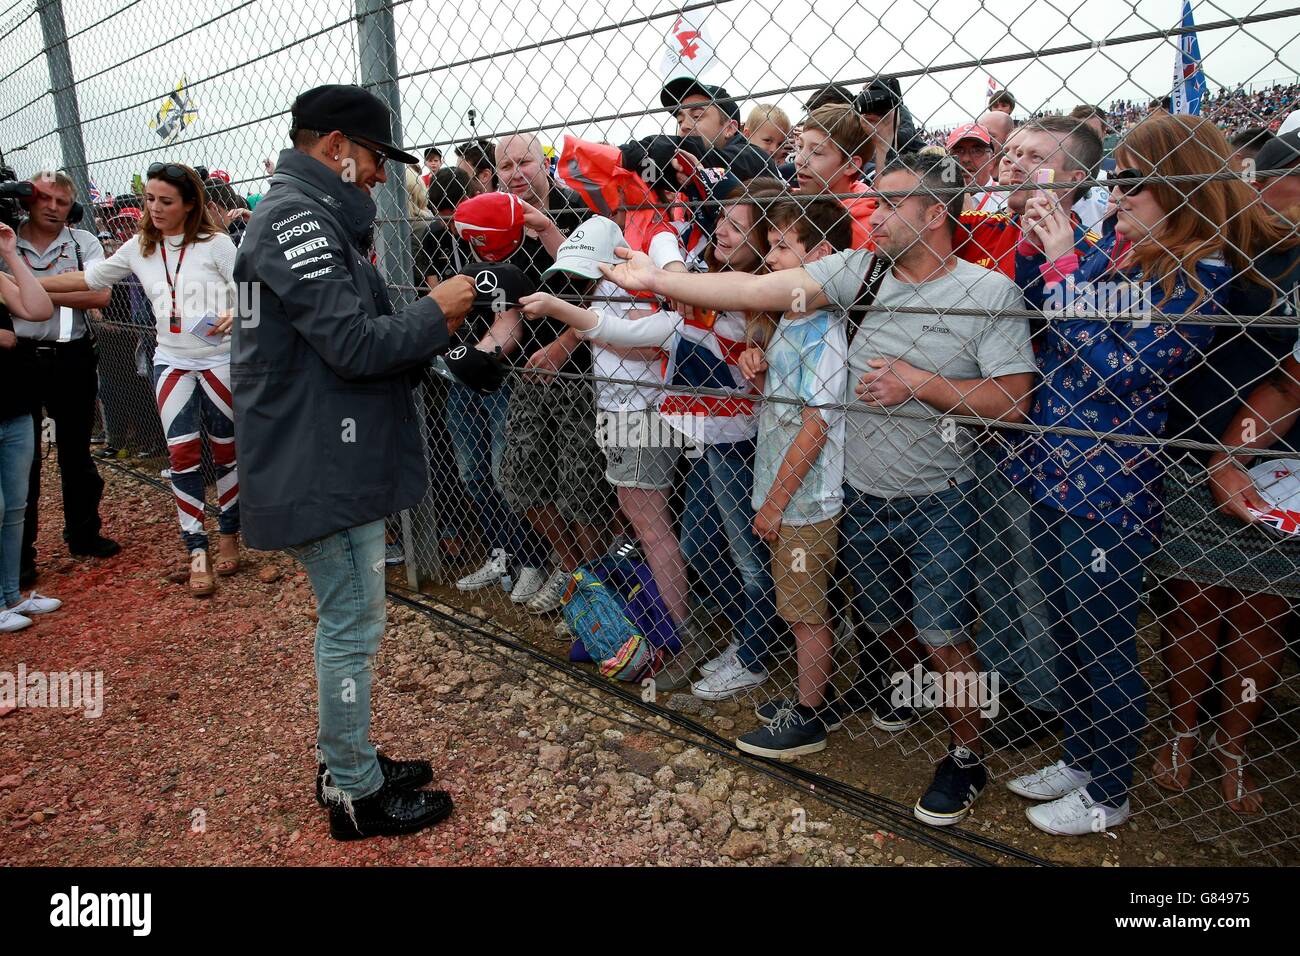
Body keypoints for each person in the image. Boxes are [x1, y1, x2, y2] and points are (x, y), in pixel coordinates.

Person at [599, 154, 1038, 825]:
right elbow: (759, 294)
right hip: (859, 492)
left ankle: (967, 754)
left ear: (934, 213)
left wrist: (919, 384)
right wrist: (658, 279)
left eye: (891, 206)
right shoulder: (859, 271)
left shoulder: (988, 293)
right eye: (878, 205)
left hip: (941, 495)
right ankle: (898, 697)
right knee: (885, 624)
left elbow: (1013, 402)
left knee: (941, 632)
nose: (877, 217)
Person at [232, 84, 476, 839]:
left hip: (317, 449)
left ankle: (348, 760)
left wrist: (442, 342)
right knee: (350, 625)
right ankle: (355, 796)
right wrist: (439, 310)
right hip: (317, 462)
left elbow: (348, 336)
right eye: (374, 158)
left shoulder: (303, 215)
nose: (379, 175)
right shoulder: (295, 220)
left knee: (351, 621)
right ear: (336, 146)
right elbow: (355, 345)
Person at [1004, 114, 1231, 836]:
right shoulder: (1120, 252)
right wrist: (1043, 244)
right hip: (1055, 470)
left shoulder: (1200, 272)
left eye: (1134, 183)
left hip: (1110, 489)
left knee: (1105, 639)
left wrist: (1067, 262)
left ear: (1181, 186)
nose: (1118, 193)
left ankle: (1110, 791)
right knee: (1068, 627)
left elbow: (1123, 372)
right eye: (1116, 180)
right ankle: (1080, 757)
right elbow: (1046, 314)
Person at [1149, 178, 1300, 814]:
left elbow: (1291, 383)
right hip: (1189, 451)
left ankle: (1233, 746)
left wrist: (1236, 454)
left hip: (1278, 464)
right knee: (1194, 607)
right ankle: (1185, 732)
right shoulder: (1212, 246)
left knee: (1259, 621)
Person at [40, 164, 243, 597]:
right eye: (150, 199)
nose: (154, 209)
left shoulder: (218, 245)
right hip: (170, 361)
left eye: (165, 201)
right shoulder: (137, 248)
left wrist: (239, 314)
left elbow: (255, 291)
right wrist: (26, 283)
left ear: (191, 204)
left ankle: (229, 532)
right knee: (182, 453)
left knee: (227, 449)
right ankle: (197, 548)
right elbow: (90, 279)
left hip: (220, 361)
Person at [733, 197, 852, 758]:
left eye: (783, 245)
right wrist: (755, 367)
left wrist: (775, 503)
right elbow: (783, 408)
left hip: (805, 500)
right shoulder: (791, 321)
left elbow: (816, 427)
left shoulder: (823, 331)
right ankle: (806, 700)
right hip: (784, 491)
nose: (771, 255)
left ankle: (809, 718)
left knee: (805, 612)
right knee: (795, 605)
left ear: (822, 255)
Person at [7, 172, 120, 589]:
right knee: (23, 460)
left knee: (76, 452)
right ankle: (20, 556)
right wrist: (57, 290)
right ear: (29, 199)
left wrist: (25, 290)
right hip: (18, 356)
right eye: (46, 198)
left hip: (70, 353)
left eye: (62, 200)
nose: (53, 207)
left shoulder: (82, 242)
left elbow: (98, 296)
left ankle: (84, 532)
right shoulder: (7, 239)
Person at [0, 221, 58, 633]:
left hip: (14, 403)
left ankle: (11, 595)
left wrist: (10, 254)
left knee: (15, 506)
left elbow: (39, 310)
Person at [660, 78, 778, 181]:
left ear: (729, 128)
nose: (684, 126)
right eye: (680, 121)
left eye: (697, 116)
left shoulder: (753, 158)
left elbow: (706, 158)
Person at [793, 104, 875, 248]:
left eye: (817, 152)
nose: (799, 160)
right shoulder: (787, 205)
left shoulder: (868, 229)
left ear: (850, 165)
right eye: (800, 147)